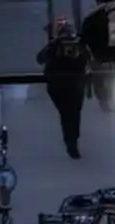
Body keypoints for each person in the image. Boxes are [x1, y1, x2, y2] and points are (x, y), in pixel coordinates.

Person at [37, 18, 91, 159]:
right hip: (71, 86)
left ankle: (71, 140)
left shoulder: (58, 45)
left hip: (61, 86)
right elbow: (89, 59)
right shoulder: (77, 46)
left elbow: (40, 58)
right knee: (72, 114)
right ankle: (72, 140)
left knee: (67, 114)